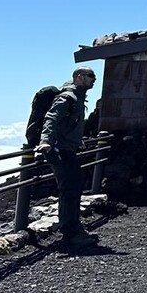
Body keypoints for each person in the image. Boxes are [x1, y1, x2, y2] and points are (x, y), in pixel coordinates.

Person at [34, 67, 98, 247]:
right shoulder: (67, 97)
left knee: (74, 187)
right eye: (91, 76)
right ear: (79, 77)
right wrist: (45, 141)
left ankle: (74, 228)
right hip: (59, 150)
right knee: (70, 188)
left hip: (67, 148)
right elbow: (51, 118)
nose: (94, 80)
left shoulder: (76, 97)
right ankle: (71, 233)